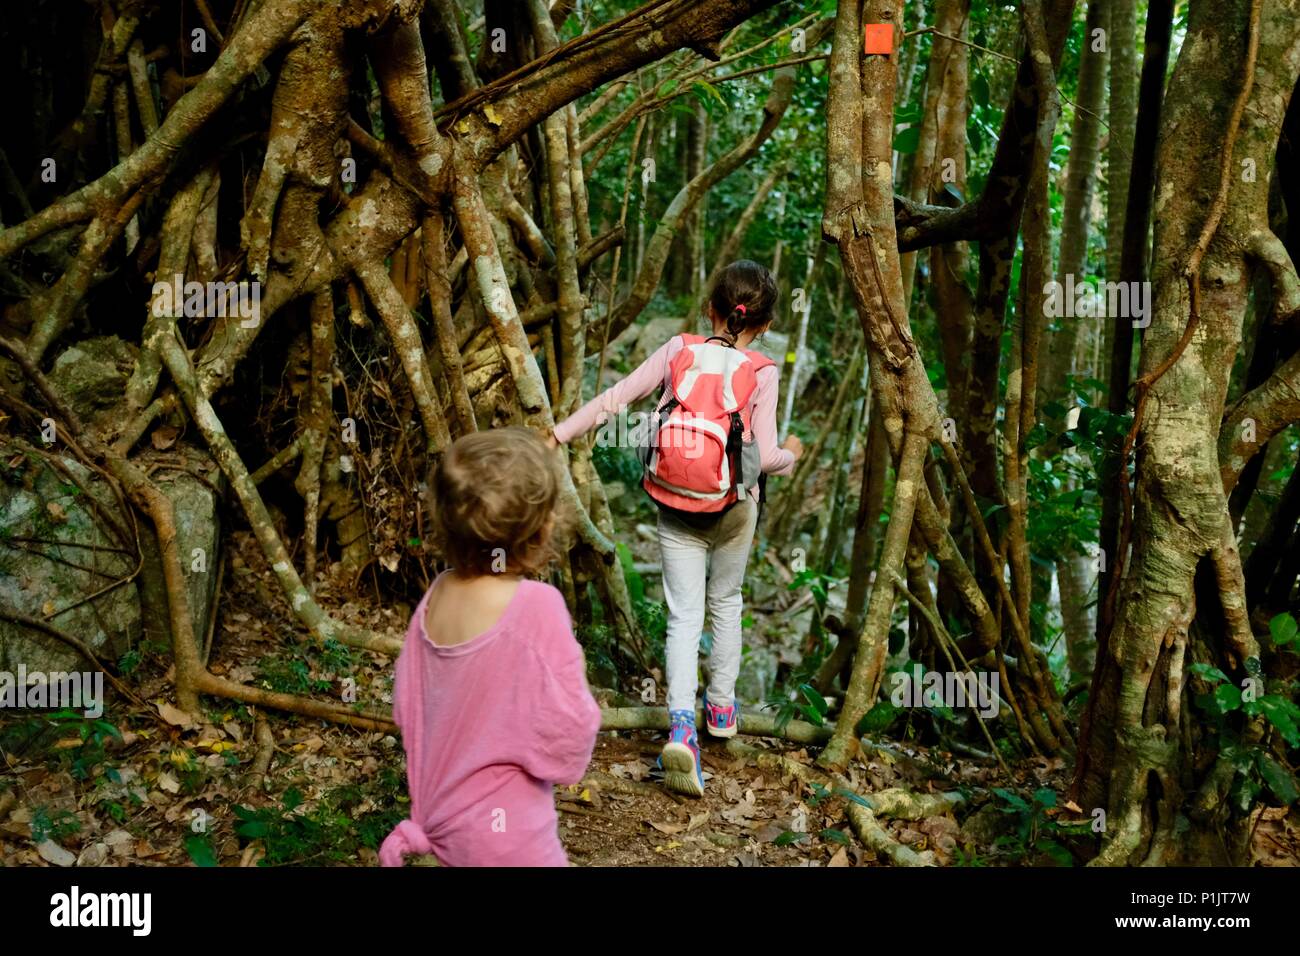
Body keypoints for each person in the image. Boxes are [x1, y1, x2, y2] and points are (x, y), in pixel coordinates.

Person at [549, 260, 803, 796]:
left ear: (709, 308)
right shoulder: (762, 370)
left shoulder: (677, 350)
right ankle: (723, 710)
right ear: (768, 323)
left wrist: (557, 434)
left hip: (674, 501)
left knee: (683, 616)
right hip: (734, 506)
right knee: (726, 603)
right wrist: (794, 455)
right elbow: (766, 453)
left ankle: (681, 730)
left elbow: (615, 400)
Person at [380, 427, 602, 866]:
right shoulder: (536, 606)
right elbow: (571, 732)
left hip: (444, 826)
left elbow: (406, 707)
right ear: (542, 528)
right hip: (511, 838)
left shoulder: (437, 595)